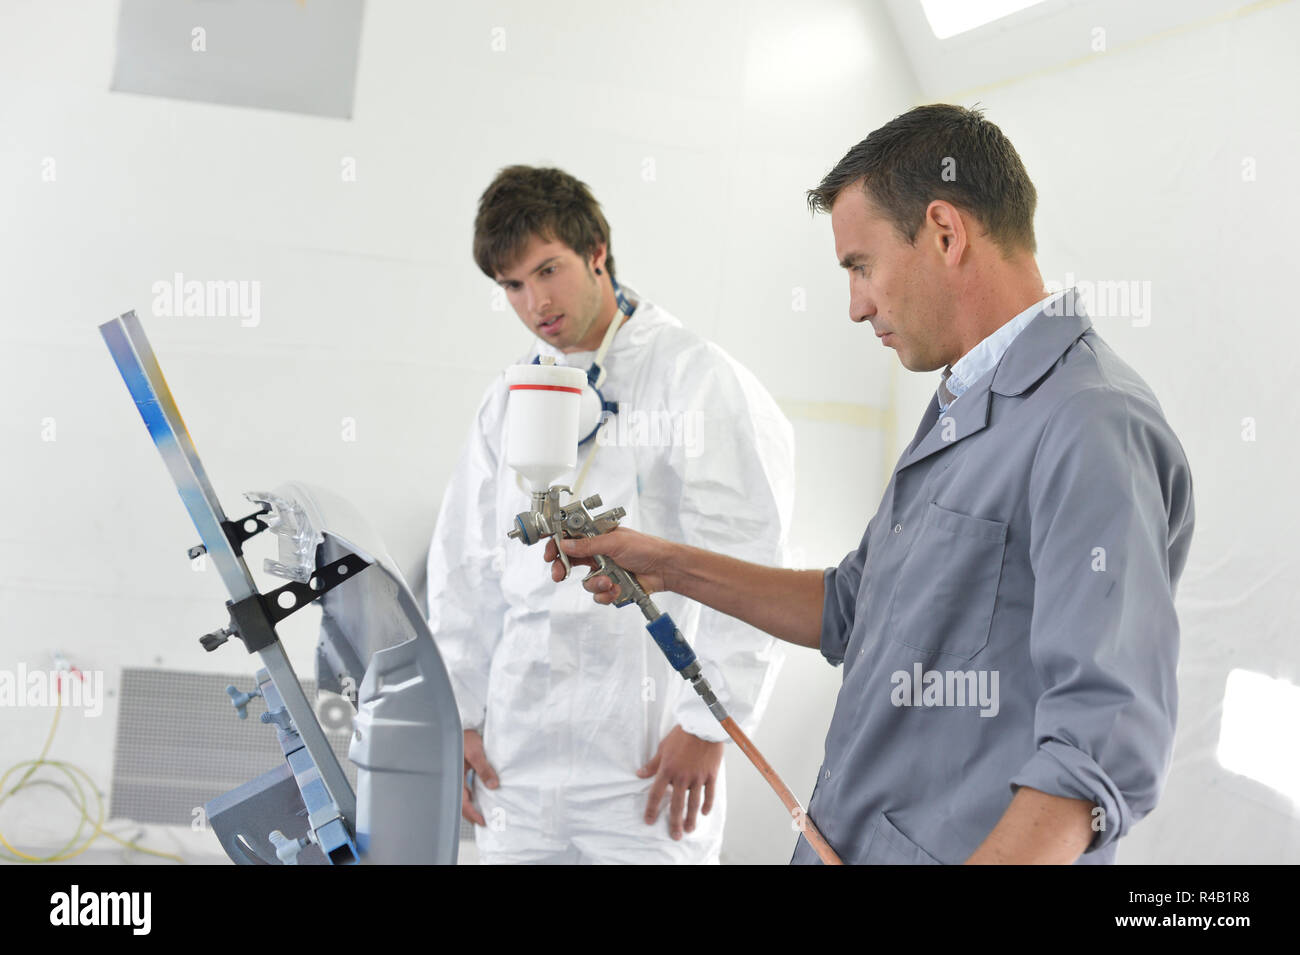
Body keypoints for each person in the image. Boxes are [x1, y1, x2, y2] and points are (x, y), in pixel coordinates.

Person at [547, 105, 1196, 865]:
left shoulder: (1090, 424)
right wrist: (669, 565)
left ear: (946, 232)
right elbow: (853, 607)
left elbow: (1098, 751)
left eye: (860, 265)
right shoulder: (965, 399)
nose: (856, 304)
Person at [426, 165, 795, 864]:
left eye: (548, 270)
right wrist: (461, 716)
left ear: (597, 251)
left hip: (645, 758)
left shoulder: (692, 376)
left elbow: (751, 555)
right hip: (519, 759)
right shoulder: (509, 397)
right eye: (511, 285)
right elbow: (465, 566)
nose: (535, 301)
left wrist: (709, 722)